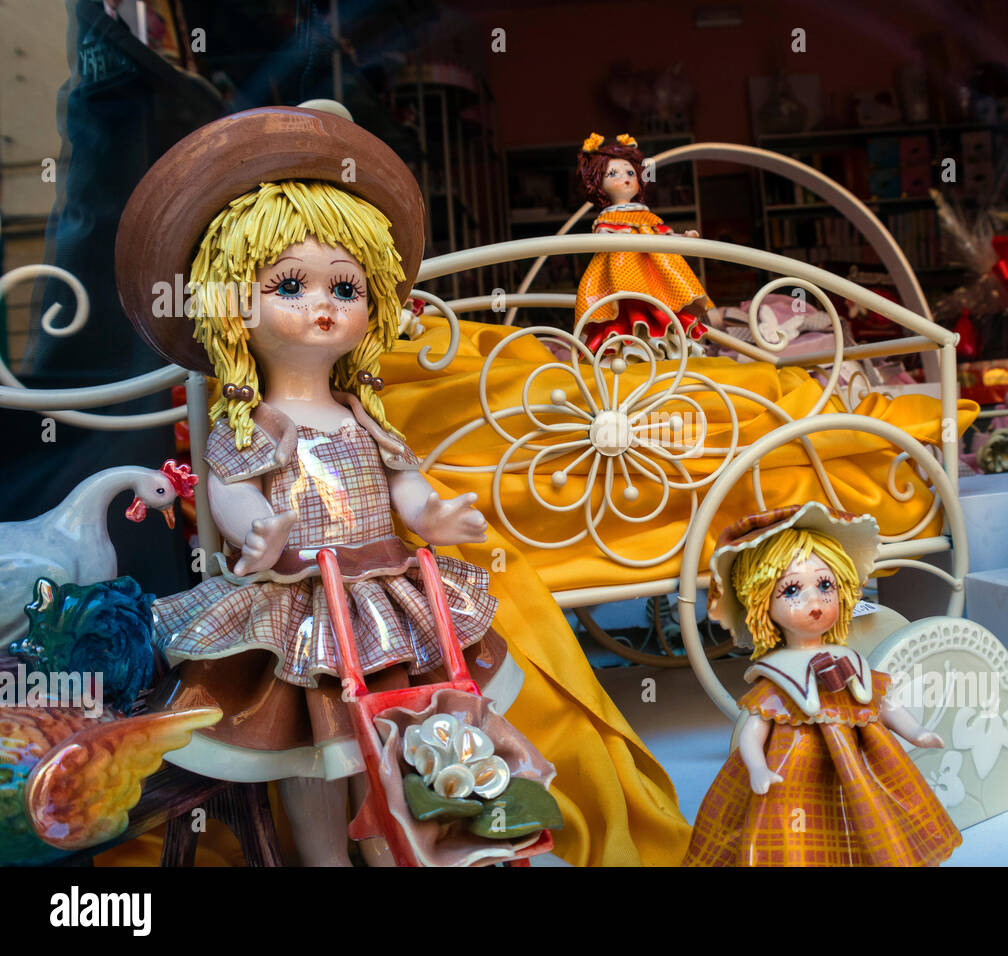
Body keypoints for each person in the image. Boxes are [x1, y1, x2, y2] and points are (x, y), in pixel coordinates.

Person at [113, 105, 691, 866]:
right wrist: (256, 525)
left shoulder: (360, 414)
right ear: (231, 303)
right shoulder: (255, 421)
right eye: (289, 283)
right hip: (302, 599)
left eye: (345, 288)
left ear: (374, 302)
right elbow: (229, 485)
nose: (322, 304)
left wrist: (433, 514)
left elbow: (405, 482)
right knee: (310, 746)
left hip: (385, 591)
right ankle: (322, 859)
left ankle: (395, 847)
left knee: (392, 732)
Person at [683, 501, 962, 866]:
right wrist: (757, 767)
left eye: (825, 584)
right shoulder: (777, 675)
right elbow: (754, 730)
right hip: (792, 771)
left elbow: (884, 705)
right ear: (761, 603)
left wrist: (916, 732)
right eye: (791, 590)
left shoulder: (850, 663)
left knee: (873, 819)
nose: (814, 600)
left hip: (859, 766)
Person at [574, 132, 712, 354]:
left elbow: (660, 235)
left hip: (653, 275)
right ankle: (627, 348)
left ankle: (665, 348)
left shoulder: (644, 214)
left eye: (630, 172)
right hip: (620, 275)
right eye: (613, 174)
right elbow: (601, 240)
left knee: (660, 306)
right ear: (598, 182)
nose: (625, 178)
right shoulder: (608, 218)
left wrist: (683, 238)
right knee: (625, 309)